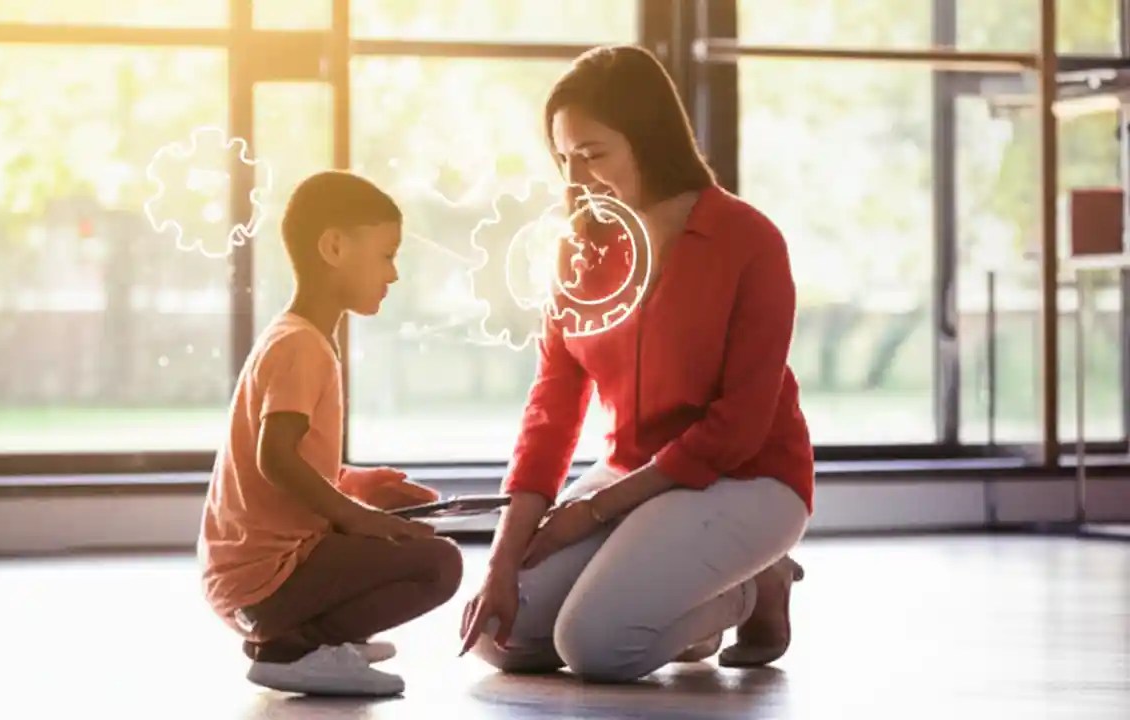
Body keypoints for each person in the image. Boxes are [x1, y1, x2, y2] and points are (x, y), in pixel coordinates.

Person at [458, 44, 815, 683]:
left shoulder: (748, 240)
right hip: (633, 473)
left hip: (745, 477)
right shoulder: (580, 252)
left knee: (596, 645)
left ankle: (754, 587)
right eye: (564, 158)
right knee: (499, 637)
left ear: (648, 139)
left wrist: (593, 512)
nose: (577, 178)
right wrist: (502, 562)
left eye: (593, 155)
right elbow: (551, 407)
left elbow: (739, 426)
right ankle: (684, 589)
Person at [198, 170, 463, 697]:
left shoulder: (294, 337)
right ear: (335, 247)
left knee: (399, 534)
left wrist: (354, 486)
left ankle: (304, 641)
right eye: (387, 255)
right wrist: (354, 516)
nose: (394, 275)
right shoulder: (303, 347)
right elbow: (274, 459)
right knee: (440, 564)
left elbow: (284, 463)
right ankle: (295, 648)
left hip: (248, 578)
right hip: (264, 582)